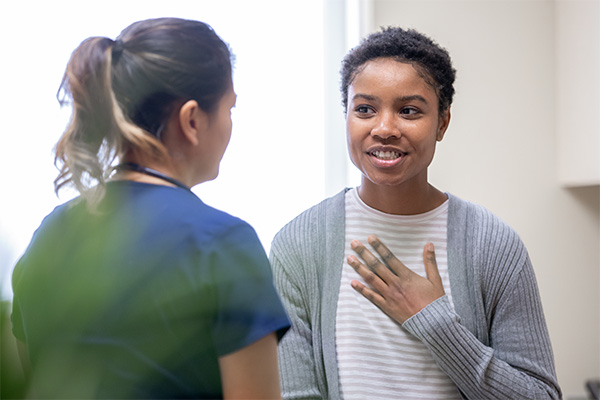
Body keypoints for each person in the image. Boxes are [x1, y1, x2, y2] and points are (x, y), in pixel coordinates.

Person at [270, 27, 561, 399]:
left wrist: (437, 324)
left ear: (441, 123)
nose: (385, 128)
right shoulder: (299, 245)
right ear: (346, 117)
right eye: (365, 109)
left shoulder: (492, 245)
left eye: (409, 110)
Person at [11, 17, 290, 399]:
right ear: (192, 119)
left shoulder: (50, 235)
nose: (229, 125)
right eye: (229, 108)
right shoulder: (223, 244)